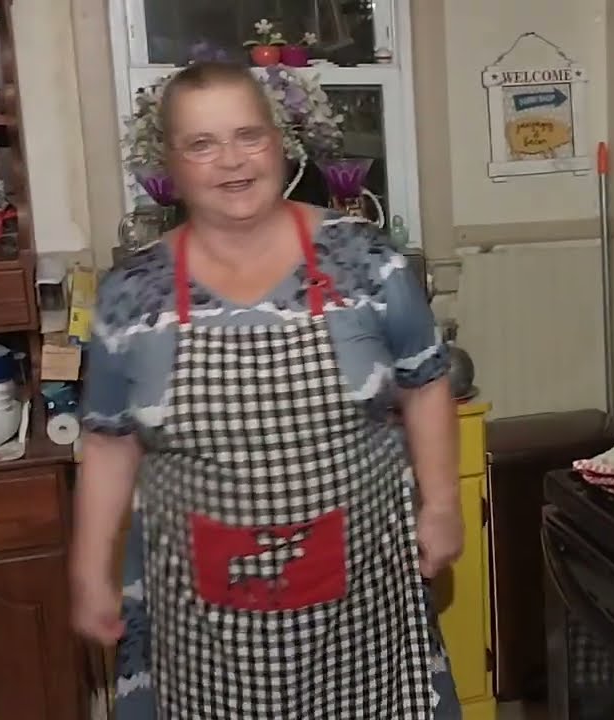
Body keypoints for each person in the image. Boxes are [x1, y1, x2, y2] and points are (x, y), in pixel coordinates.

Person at [71, 61, 463, 719]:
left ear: (281, 143)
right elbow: (109, 443)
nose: (232, 161)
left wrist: (444, 503)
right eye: (202, 144)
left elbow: (425, 383)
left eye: (248, 135)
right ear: (171, 161)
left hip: (361, 602)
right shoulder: (131, 295)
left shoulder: (367, 261)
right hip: (200, 622)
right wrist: (89, 572)